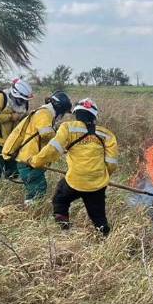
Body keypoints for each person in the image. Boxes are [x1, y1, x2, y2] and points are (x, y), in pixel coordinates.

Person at [29, 98, 118, 234]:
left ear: (76, 113)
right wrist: (102, 176)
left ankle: (65, 230)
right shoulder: (106, 134)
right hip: (97, 184)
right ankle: (104, 237)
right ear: (94, 116)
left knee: (60, 200)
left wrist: (35, 161)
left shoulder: (68, 127)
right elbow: (112, 164)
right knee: (99, 217)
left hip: (75, 180)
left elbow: (52, 149)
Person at [0, 90, 72, 205]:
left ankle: (31, 211)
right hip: (29, 160)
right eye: (63, 112)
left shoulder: (46, 114)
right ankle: (32, 213)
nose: (62, 115)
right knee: (38, 188)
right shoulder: (44, 113)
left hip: (30, 159)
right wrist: (62, 139)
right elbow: (46, 134)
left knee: (35, 188)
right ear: (59, 108)